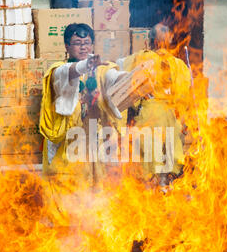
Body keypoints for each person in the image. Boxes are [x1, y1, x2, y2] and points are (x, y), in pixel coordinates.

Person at [39, 23, 127, 189]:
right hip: (67, 144)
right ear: (67, 46)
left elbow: (113, 76)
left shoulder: (100, 69)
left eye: (87, 43)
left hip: (94, 141)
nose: (83, 47)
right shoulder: (57, 70)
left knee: (97, 191)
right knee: (66, 191)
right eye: (78, 44)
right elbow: (69, 72)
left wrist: (133, 79)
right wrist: (85, 65)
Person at [116, 23, 192, 187]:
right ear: (171, 42)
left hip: (151, 114)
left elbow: (120, 71)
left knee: (151, 159)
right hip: (170, 115)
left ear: (148, 42)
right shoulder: (179, 65)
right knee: (169, 157)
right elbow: (185, 95)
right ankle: (166, 189)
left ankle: (153, 192)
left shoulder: (142, 57)